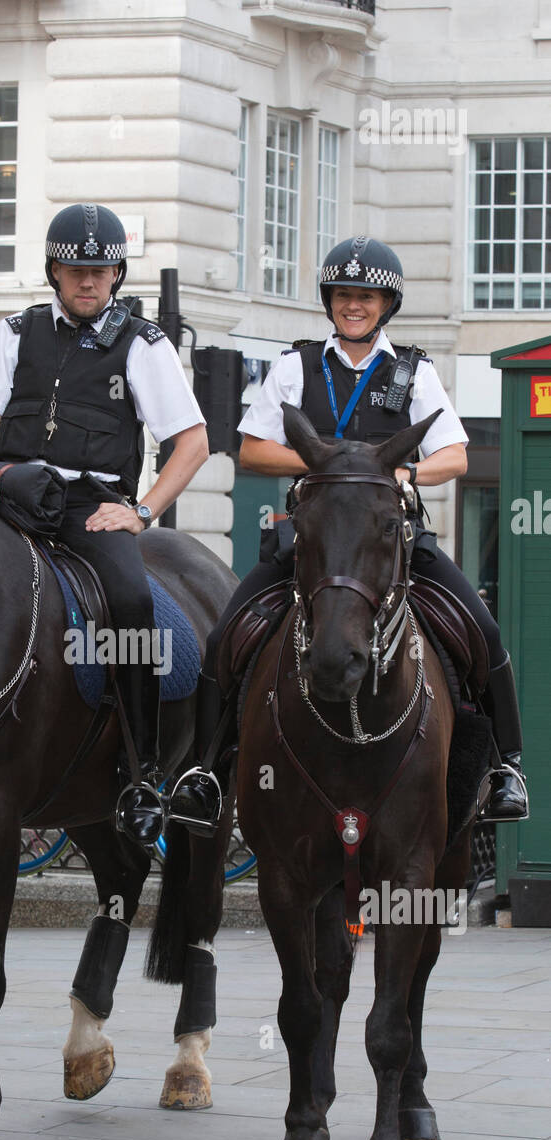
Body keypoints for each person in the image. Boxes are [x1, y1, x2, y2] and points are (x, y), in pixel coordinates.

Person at [169, 235, 528, 833]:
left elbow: (457, 456)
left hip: (392, 542)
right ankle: (205, 772)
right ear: (329, 301)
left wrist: (402, 471)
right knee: (226, 634)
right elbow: (254, 448)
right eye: (342, 295)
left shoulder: (413, 370)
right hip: (309, 542)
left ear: (385, 305)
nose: (352, 306)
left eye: (365, 297)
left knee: (482, 630)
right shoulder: (295, 366)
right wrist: (329, 467)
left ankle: (506, 769)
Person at [0, 202, 209, 846]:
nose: (89, 282)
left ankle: (141, 772)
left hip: (91, 509)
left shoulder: (143, 344)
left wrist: (142, 511)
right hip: (10, 495)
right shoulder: (15, 332)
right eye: (77, 271)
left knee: (129, 598)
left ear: (117, 275)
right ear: (53, 272)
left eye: (101, 271)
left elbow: (192, 442)